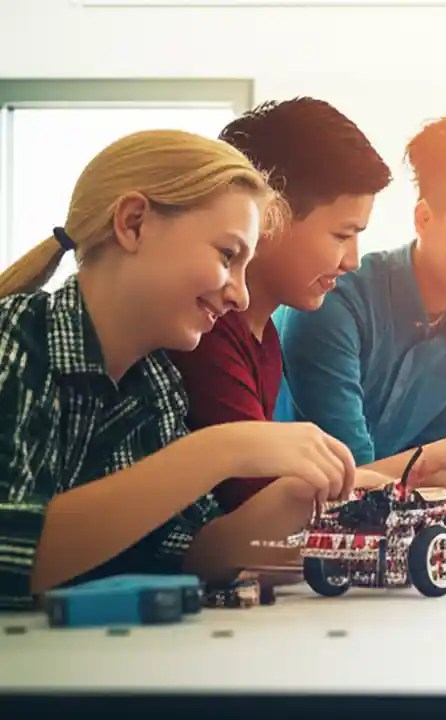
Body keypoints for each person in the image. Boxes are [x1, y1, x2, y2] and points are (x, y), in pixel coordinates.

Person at [0, 130, 359, 610]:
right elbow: (10, 552)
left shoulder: (158, 384)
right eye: (227, 256)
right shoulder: (15, 339)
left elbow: (192, 554)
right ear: (133, 224)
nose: (241, 296)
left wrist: (297, 493)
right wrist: (222, 450)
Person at [170, 99, 446, 519]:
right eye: (343, 235)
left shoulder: (262, 339)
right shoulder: (234, 325)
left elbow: (437, 476)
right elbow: (308, 495)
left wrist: (444, 477)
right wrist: (435, 467)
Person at [275, 115, 446, 492]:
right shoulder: (333, 301)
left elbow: (439, 474)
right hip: (286, 514)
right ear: (424, 218)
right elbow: (349, 481)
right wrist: (442, 464)